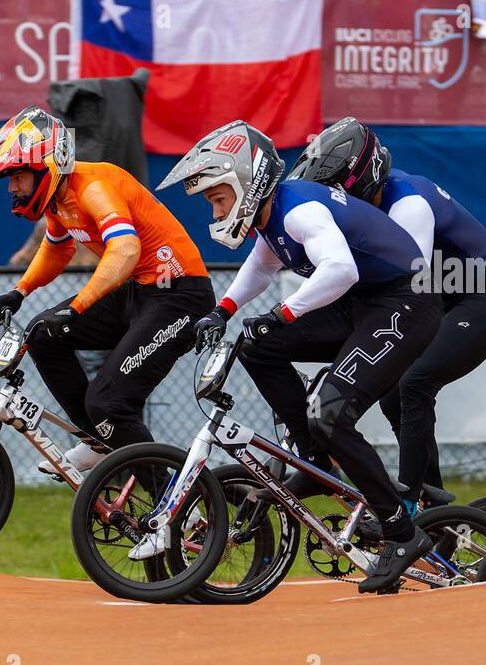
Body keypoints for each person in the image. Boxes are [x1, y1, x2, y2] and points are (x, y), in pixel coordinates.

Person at [169, 121, 444, 594]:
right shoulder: (274, 214)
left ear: (246, 183)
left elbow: (339, 268)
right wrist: (223, 310)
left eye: (218, 198)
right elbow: (262, 263)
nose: (215, 212)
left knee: (330, 412)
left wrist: (282, 313)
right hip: (367, 301)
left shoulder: (298, 210)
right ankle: (316, 461)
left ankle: (401, 531)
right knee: (258, 347)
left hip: (406, 302)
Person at [292, 117, 486, 510]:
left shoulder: (408, 204)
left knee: (414, 384)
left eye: (338, 193)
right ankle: (436, 505)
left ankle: (412, 499)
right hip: (449, 292)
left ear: (362, 180)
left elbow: (403, 283)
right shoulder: (378, 197)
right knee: (392, 397)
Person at [0, 105, 214, 477]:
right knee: (43, 335)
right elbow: (57, 248)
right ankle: (100, 441)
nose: (12, 188)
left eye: (18, 176)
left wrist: (79, 305)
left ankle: (169, 507)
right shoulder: (59, 200)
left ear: (47, 168)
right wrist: (20, 292)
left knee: (108, 401)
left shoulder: (95, 187)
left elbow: (126, 249)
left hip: (179, 295)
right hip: (141, 290)